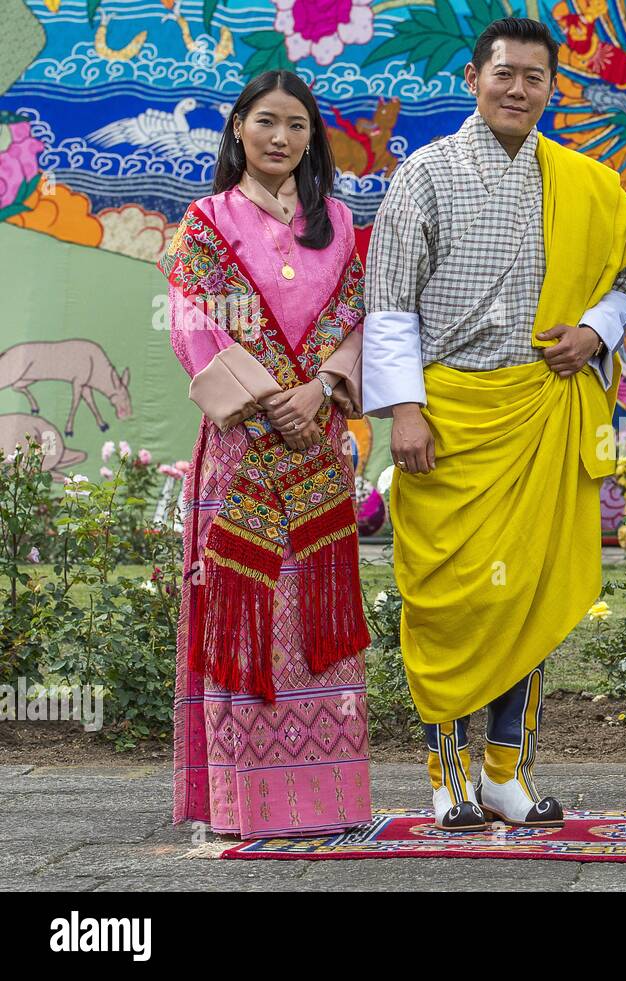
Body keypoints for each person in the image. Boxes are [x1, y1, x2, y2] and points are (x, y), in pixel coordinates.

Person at [361, 18, 626, 832]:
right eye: (504, 74)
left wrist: (594, 330)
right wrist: (405, 410)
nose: (518, 89)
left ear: (552, 88)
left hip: (541, 411)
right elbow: (389, 306)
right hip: (447, 421)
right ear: (473, 79)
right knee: (448, 600)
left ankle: (506, 775)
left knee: (526, 596)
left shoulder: (585, 182)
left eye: (534, 77)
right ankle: (446, 776)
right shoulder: (425, 174)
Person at [160, 71, 372, 839]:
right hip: (241, 448)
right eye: (265, 122)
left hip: (317, 439)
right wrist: (266, 402)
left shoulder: (337, 221)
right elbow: (192, 325)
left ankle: (329, 800)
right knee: (245, 609)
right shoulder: (205, 223)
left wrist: (322, 389)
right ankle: (244, 803)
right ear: (238, 129)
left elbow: (357, 317)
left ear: (312, 139)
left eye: (296, 125)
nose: (280, 137)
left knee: (311, 608)